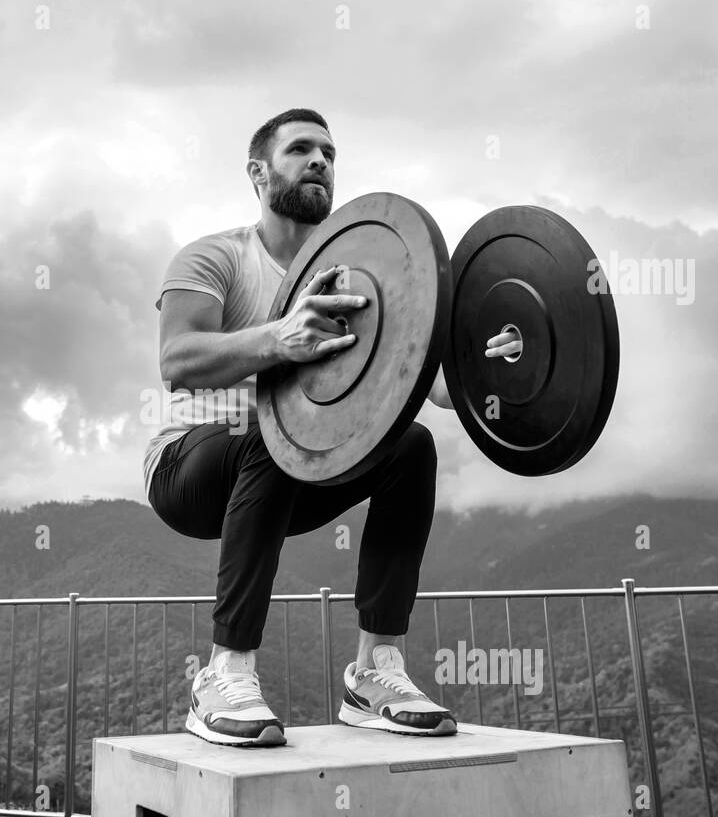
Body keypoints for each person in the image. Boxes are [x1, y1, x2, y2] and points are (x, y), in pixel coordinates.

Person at [143, 108, 520, 746]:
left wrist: (492, 357)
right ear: (259, 173)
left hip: (291, 472)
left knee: (412, 445)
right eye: (301, 150)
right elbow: (177, 361)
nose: (320, 160)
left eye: (329, 152)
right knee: (268, 428)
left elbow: (436, 393)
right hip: (189, 466)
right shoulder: (217, 257)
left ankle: (374, 672)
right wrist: (281, 338)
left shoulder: (363, 281)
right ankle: (224, 675)